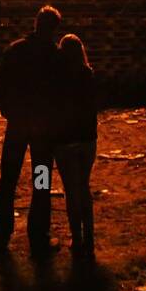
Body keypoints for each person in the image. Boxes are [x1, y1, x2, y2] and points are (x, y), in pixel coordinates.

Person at [0, 5, 63, 257]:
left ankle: (0, 235)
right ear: (54, 29)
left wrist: (8, 111)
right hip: (43, 127)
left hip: (18, 123)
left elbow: (1, 84)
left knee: (8, 179)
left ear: (36, 23)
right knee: (41, 181)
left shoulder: (16, 50)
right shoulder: (55, 55)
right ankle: (38, 234)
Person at [53, 34, 98, 259]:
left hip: (64, 140)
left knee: (71, 190)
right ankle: (89, 236)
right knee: (84, 187)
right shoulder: (87, 74)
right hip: (87, 138)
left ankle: (77, 237)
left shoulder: (57, 77)